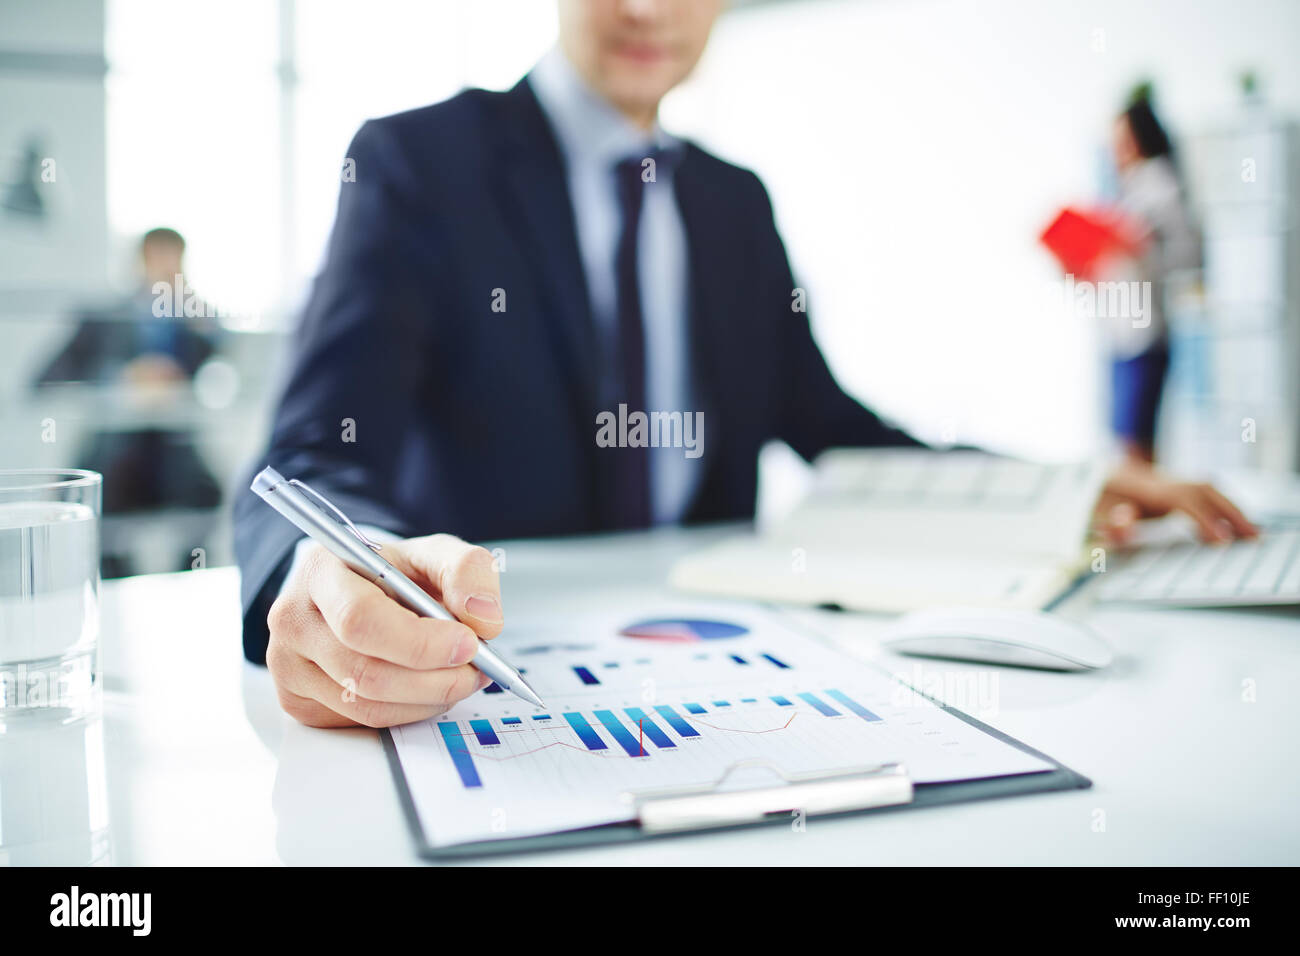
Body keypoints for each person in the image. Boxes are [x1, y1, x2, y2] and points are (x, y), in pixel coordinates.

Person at [235, 0, 1255, 730]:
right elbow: (311, 450)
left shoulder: (731, 201)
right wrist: (325, 570)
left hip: (713, 666)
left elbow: (833, 428)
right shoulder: (421, 162)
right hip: (492, 672)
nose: (647, 9)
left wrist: (1056, 487)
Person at [1107, 85, 1203, 464]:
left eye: (1123, 139)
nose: (1117, 149)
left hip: (1147, 332)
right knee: (1122, 435)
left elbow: (1189, 255)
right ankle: (1135, 510)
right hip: (1121, 332)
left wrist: (1143, 249)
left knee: (1138, 439)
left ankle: (1144, 510)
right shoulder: (1127, 189)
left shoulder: (1162, 184)